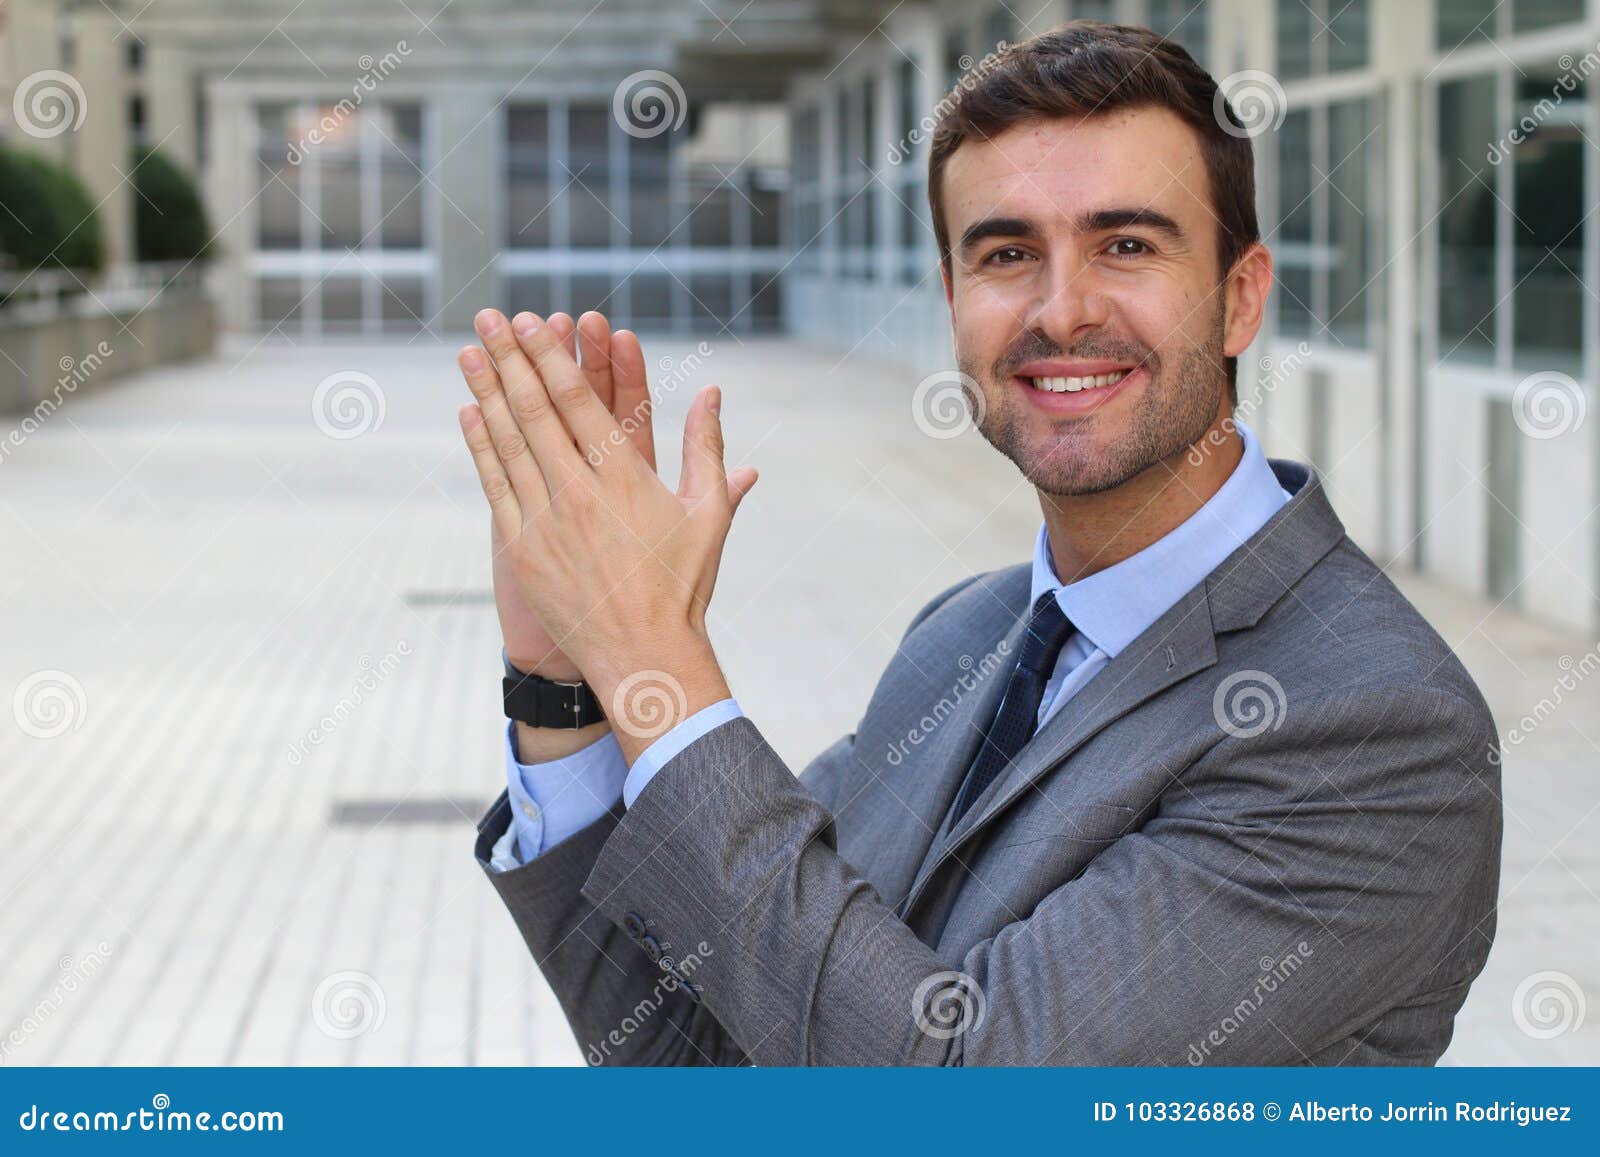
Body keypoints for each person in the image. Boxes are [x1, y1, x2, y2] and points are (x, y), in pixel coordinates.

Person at [455, 21, 1501, 1065]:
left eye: (1126, 245)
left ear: (1238, 298)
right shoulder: (963, 633)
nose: (1061, 310)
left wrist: (653, 654)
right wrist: (571, 687)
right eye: (1006, 255)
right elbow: (712, 1055)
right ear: (955, 303)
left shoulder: (1374, 728)